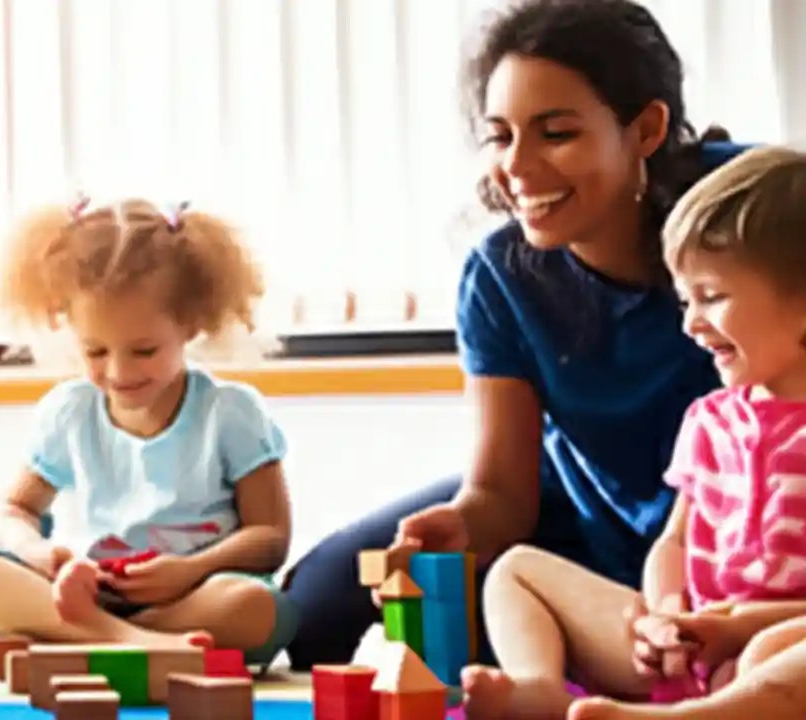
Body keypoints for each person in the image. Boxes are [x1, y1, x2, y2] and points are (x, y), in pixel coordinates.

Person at [282, 0, 747, 669]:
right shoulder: (500, 274)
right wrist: (463, 526)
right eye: (500, 137)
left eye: (555, 133)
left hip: (742, 516)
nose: (518, 168)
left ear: (646, 129)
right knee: (317, 612)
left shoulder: (752, 209)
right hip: (575, 519)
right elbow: (502, 490)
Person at [0, 197, 298, 664]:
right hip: (88, 593)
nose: (118, 372)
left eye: (144, 350)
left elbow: (270, 535)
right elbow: (14, 509)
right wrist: (41, 555)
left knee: (258, 609)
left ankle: (95, 638)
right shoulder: (70, 411)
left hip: (185, 598)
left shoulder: (229, 412)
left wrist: (189, 570)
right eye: (95, 351)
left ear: (190, 325)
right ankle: (126, 641)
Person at [527, 146, 806, 719]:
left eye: (713, 297)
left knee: (772, 657)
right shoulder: (709, 420)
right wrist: (663, 614)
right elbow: (674, 541)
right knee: (517, 573)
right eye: (685, 299)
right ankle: (540, 690)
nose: (690, 322)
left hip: (770, 645)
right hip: (689, 645)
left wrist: (739, 626)